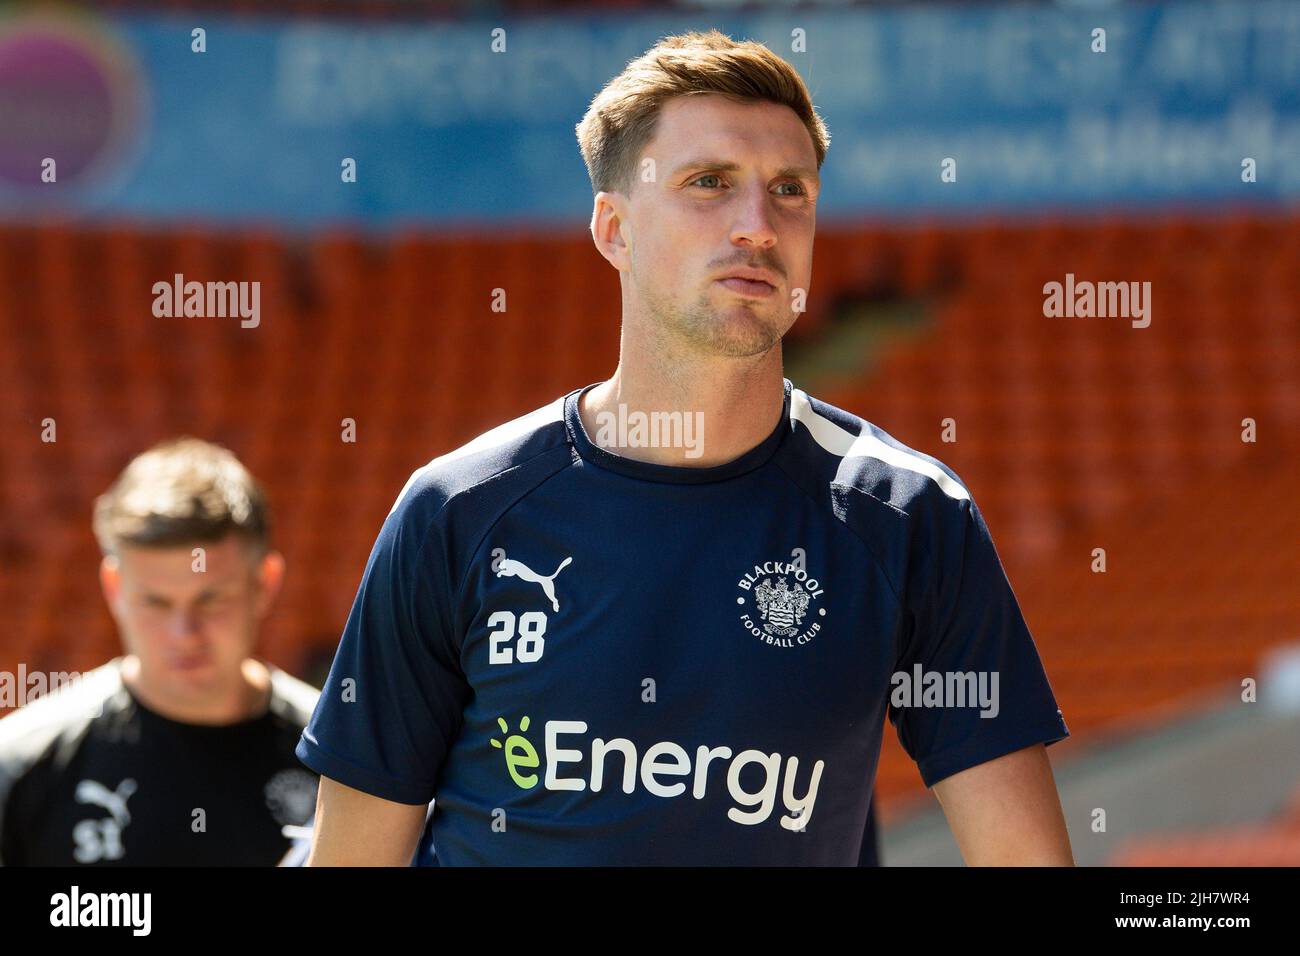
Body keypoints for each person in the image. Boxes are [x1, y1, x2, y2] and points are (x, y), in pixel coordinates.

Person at [297, 29, 1072, 865]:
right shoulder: (457, 510)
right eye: (709, 183)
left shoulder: (906, 515)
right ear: (613, 229)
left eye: (790, 191)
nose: (759, 226)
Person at [0, 437, 320, 865]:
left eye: (211, 599)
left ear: (265, 583)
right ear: (114, 587)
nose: (184, 633)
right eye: (155, 601)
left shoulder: (339, 755)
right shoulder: (22, 765)